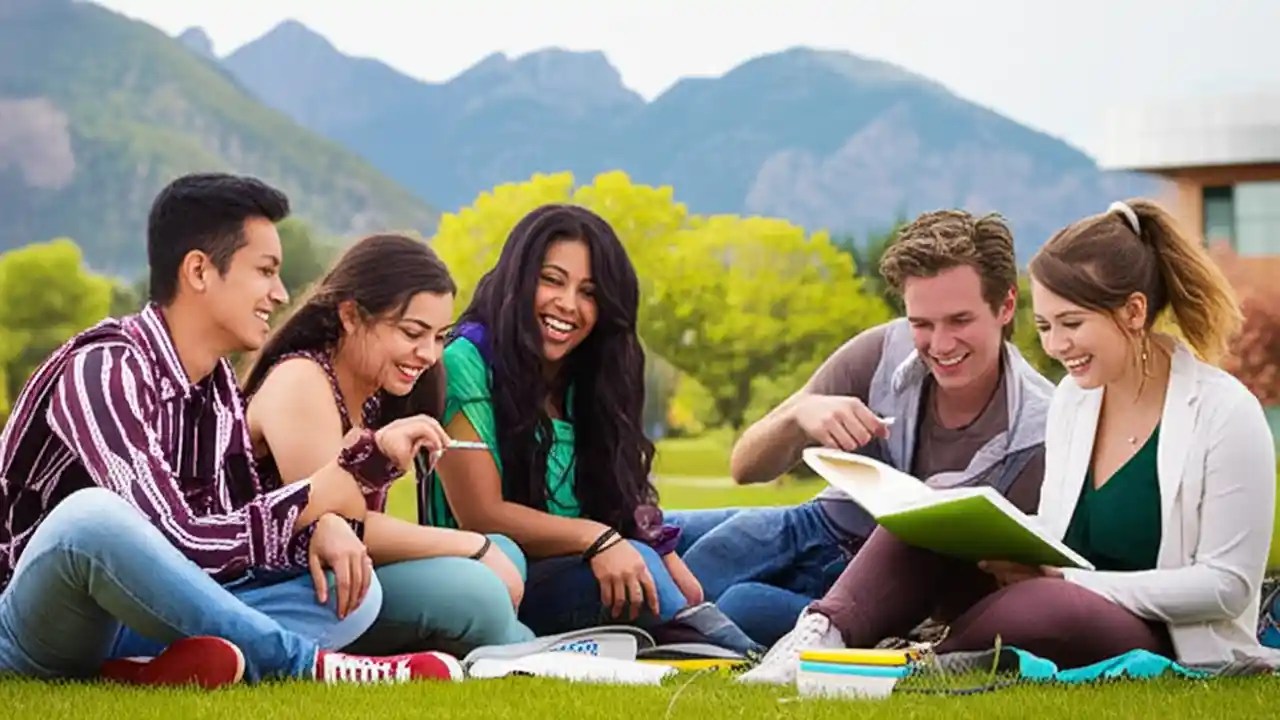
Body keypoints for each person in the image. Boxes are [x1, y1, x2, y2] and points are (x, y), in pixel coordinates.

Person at [742, 199, 1279, 683]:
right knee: (926, 520)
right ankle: (818, 640)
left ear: (1134, 312)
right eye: (1045, 326)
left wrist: (1069, 581)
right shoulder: (1077, 399)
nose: (1057, 346)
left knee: (1044, 607)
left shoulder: (1225, 413)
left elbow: (1225, 587)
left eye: (1072, 323)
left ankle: (922, 662)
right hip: (1061, 593)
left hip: (1165, 636)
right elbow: (1059, 529)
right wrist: (1002, 539)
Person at [0, 173, 464, 687]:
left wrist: (321, 524)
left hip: (136, 618)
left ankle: (143, 671)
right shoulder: (105, 370)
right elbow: (174, 538)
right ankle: (306, 665)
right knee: (91, 521)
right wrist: (316, 498)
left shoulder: (218, 389)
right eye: (265, 271)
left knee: (349, 591)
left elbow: (232, 533)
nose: (280, 294)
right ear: (199, 270)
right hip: (36, 621)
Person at [666, 210, 1054, 647]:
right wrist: (801, 415)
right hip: (812, 526)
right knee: (661, 537)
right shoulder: (880, 350)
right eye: (922, 324)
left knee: (740, 605)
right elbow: (745, 466)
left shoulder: (1041, 434)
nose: (940, 345)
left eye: (959, 321)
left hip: (882, 593)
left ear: (1005, 307)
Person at [420, 203, 757, 655]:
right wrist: (600, 540)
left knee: (737, 529)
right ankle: (738, 657)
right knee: (645, 566)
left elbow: (620, 492)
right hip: (505, 580)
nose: (568, 305)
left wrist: (664, 546)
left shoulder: (585, 374)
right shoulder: (465, 361)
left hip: (586, 553)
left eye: (589, 292)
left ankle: (788, 622)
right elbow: (481, 514)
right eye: (552, 280)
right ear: (519, 279)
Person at [241, 233, 536, 656]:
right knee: (479, 589)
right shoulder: (301, 380)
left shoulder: (377, 391)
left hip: (353, 574)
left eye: (438, 337)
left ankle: (497, 646)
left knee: (506, 553)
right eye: (413, 332)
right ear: (350, 316)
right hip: (293, 587)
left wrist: (483, 549)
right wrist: (471, 545)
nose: (429, 355)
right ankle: (535, 656)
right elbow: (339, 522)